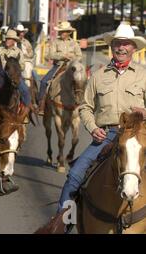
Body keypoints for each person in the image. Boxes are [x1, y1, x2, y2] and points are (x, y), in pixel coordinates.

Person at [43, 23, 146, 232]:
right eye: (117, 44)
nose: (121, 48)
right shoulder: (99, 76)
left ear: (133, 48)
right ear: (112, 47)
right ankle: (60, 226)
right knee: (74, 177)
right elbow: (86, 107)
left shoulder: (143, 75)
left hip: (138, 136)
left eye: (126, 44)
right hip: (107, 136)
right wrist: (92, 128)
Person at [37, 21, 82, 115]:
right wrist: (62, 56)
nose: (62, 33)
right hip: (58, 66)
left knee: (81, 81)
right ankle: (41, 105)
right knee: (44, 82)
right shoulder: (55, 42)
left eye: (64, 31)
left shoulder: (74, 43)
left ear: (69, 32)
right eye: (61, 31)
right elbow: (50, 55)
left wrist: (72, 58)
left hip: (72, 66)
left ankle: (82, 104)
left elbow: (79, 56)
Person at [0, 29, 32, 106]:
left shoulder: (18, 51)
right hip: (0, 75)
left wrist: (14, 69)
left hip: (14, 76)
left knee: (25, 90)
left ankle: (27, 109)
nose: (7, 40)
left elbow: (22, 66)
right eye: (7, 38)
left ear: (14, 41)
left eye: (9, 39)